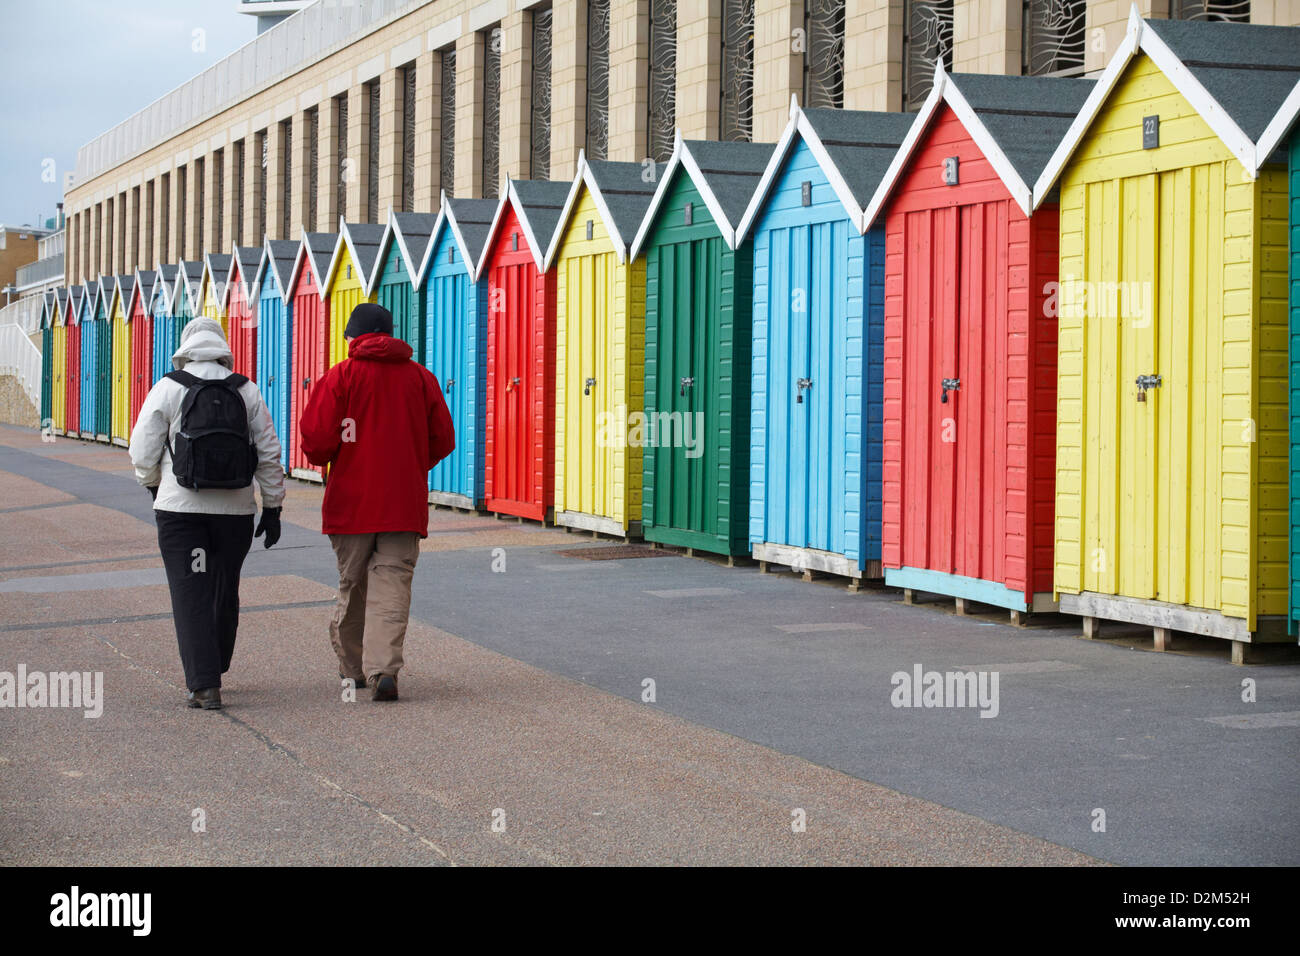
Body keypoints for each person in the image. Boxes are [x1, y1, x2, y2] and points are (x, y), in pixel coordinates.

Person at [299, 303, 454, 702]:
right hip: (403, 503)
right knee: (392, 586)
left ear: (353, 337)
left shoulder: (340, 377)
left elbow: (315, 442)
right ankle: (383, 670)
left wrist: (340, 454)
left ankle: (353, 670)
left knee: (354, 585)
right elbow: (443, 438)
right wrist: (413, 463)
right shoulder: (421, 378)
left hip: (351, 504)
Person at [129, 317, 285, 710]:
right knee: (222, 586)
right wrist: (273, 506)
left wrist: (152, 484)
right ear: (222, 348)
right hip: (234, 512)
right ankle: (215, 663)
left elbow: (142, 449)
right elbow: (268, 452)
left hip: (181, 512)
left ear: (184, 349)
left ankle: (204, 682)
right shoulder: (246, 390)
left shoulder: (168, 387)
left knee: (190, 590)